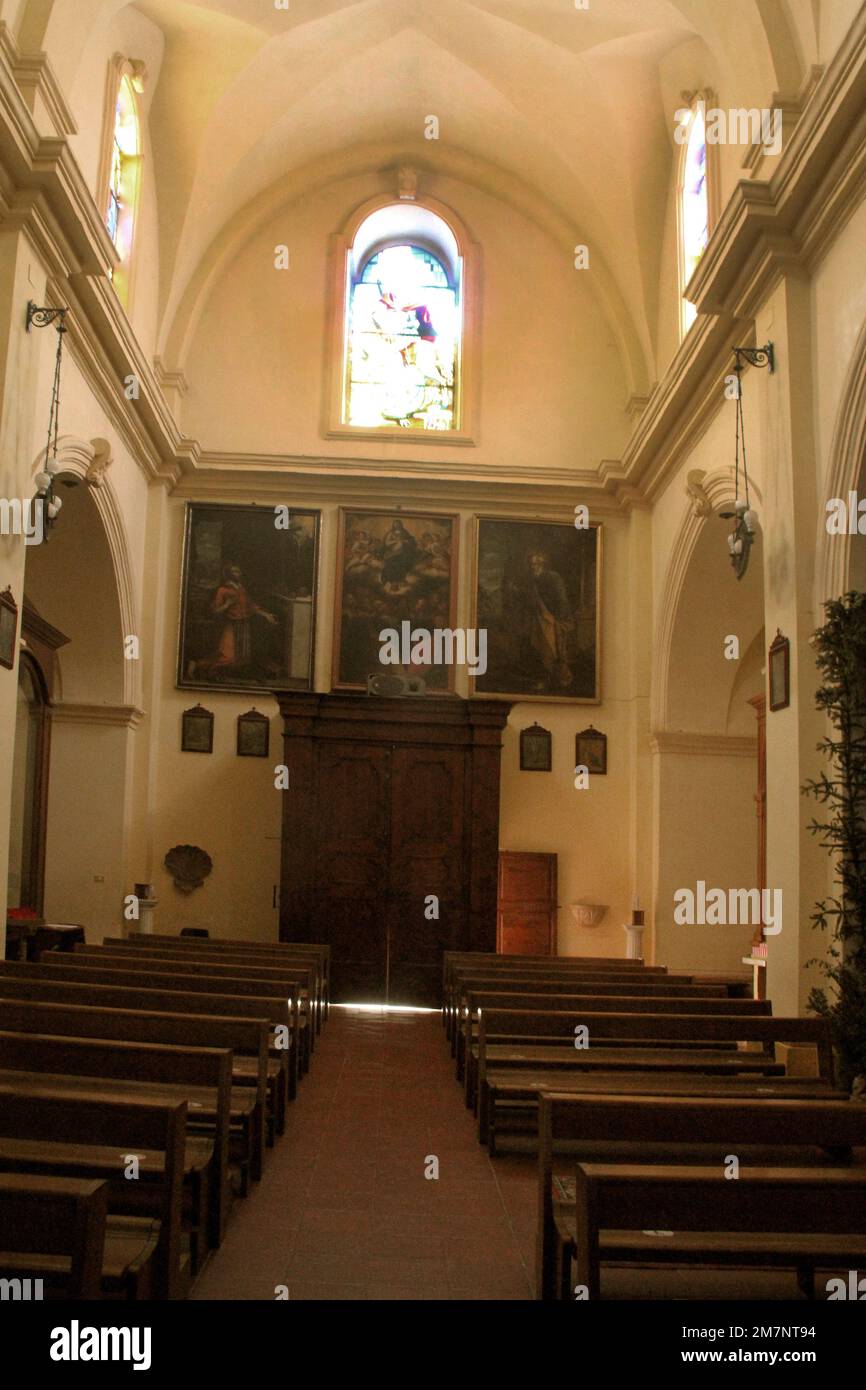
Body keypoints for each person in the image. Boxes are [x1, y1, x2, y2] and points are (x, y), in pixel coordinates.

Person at [206, 562, 277, 675]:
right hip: (231, 624)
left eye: (239, 571)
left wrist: (266, 615)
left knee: (244, 656)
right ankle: (211, 671)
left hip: (244, 624)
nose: (238, 574)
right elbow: (215, 610)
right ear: (229, 574)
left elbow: (251, 606)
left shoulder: (241, 589)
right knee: (228, 656)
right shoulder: (223, 590)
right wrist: (227, 604)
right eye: (235, 571)